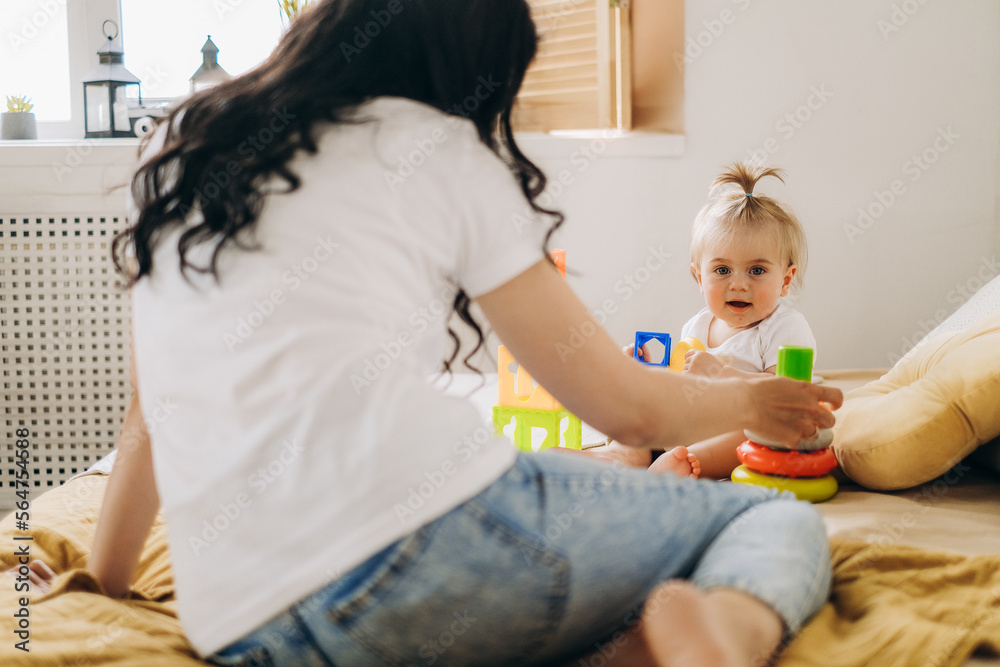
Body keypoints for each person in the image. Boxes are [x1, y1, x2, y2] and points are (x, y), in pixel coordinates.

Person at [67, 2, 842, 666]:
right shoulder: (436, 146)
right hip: (423, 547)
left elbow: (150, 414)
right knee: (772, 518)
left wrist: (103, 584)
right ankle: (720, 637)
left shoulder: (178, 145)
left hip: (244, 627)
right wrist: (752, 403)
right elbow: (627, 410)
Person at [622, 162, 819, 479]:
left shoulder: (785, 328)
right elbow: (680, 388)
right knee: (638, 411)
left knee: (754, 430)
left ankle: (685, 464)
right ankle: (621, 457)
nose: (738, 284)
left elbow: (787, 397)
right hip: (690, 425)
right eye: (722, 270)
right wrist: (648, 373)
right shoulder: (697, 326)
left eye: (756, 270)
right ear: (700, 277)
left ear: (785, 279)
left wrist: (721, 373)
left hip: (738, 429)